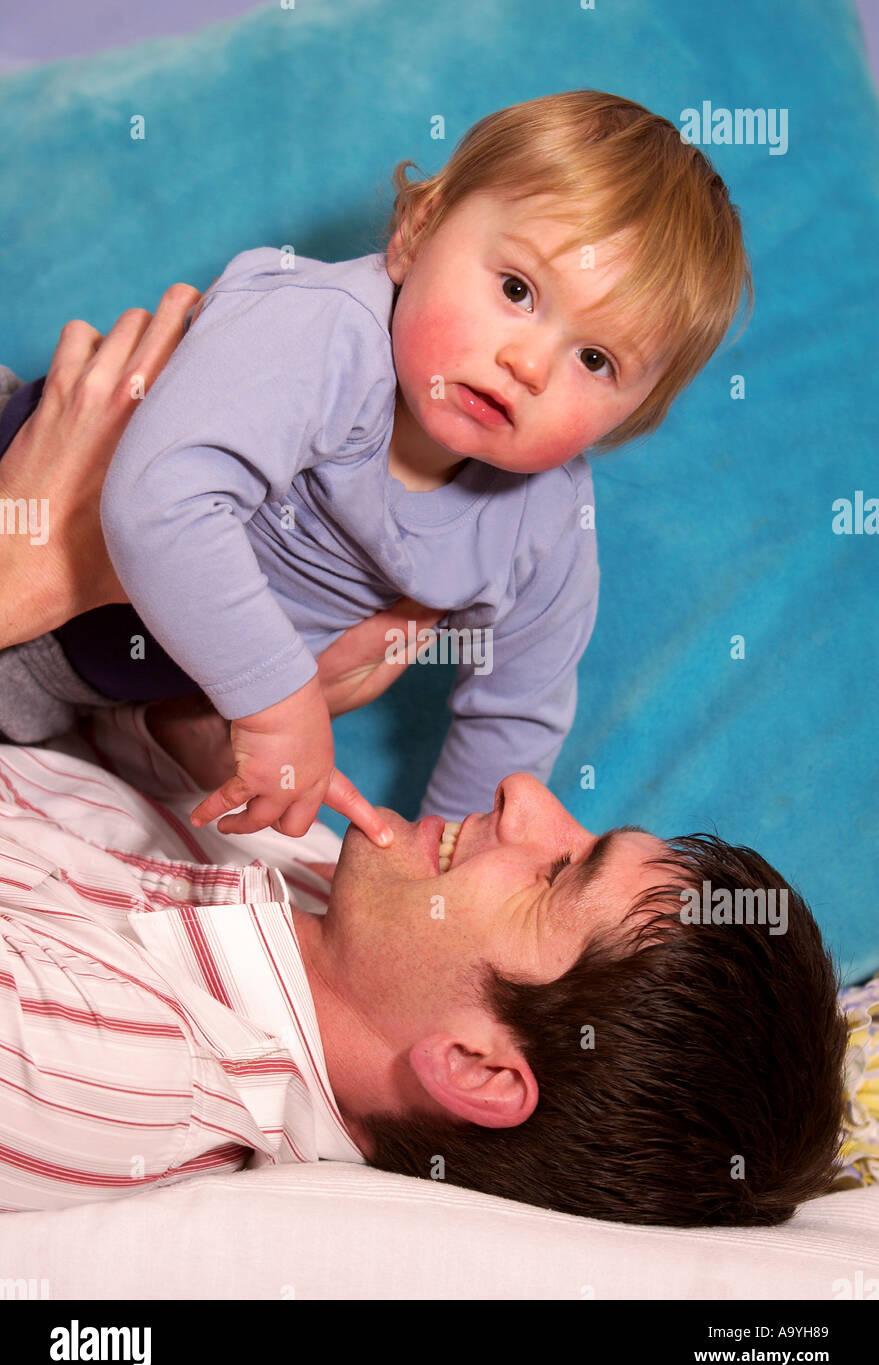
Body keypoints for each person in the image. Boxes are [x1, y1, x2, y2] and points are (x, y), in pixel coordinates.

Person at [0, 305, 852, 1225]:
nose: (524, 794)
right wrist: (209, 712)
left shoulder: (101, 1070)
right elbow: (61, 754)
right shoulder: (340, 897)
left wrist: (31, 569)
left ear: (476, 1069)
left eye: (559, 873)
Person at [0, 89, 753, 848]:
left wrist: (446, 868)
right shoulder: (324, 333)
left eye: (594, 359)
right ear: (416, 234)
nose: (527, 364)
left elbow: (516, 713)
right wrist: (279, 703)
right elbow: (160, 500)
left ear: (632, 418)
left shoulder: (545, 522)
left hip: (80, 683)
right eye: (517, 290)